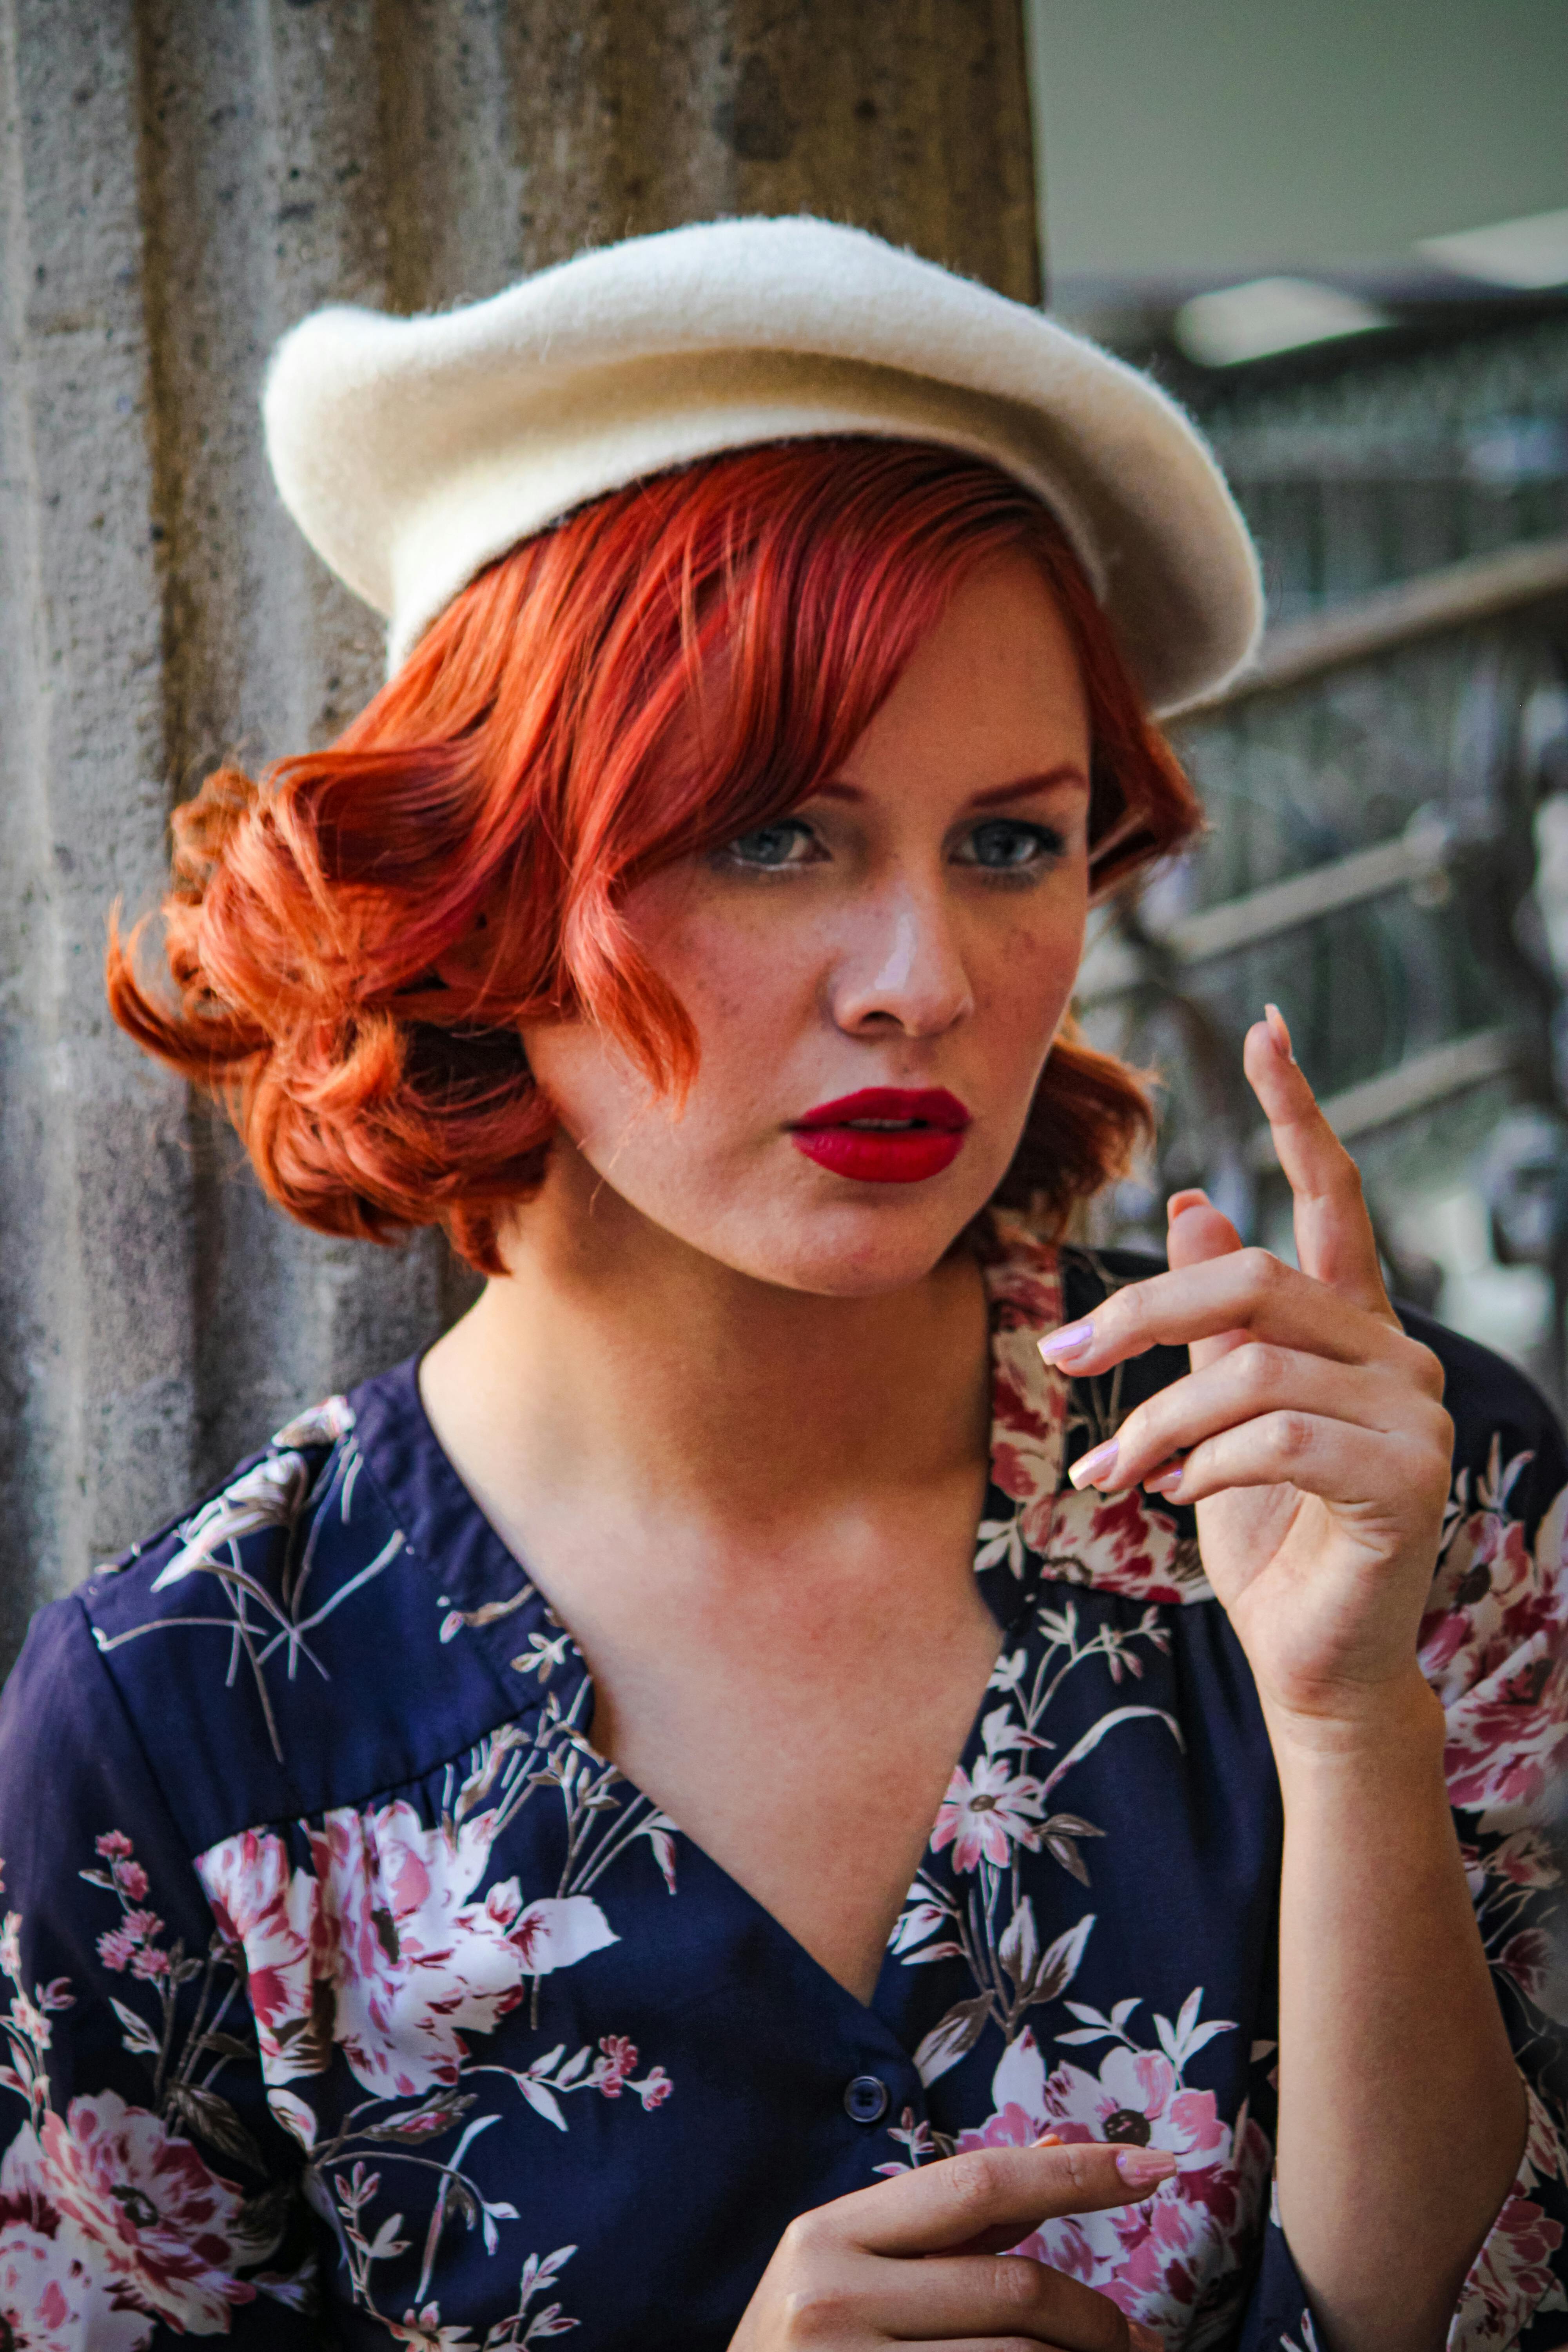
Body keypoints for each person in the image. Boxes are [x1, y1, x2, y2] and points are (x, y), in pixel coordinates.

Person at [0, 216, 1561, 2352]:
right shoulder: (184, 1726)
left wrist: (1351, 1722)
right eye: (774, 837)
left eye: (1011, 842)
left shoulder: (1399, 1497)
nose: (926, 981)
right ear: (487, 882)